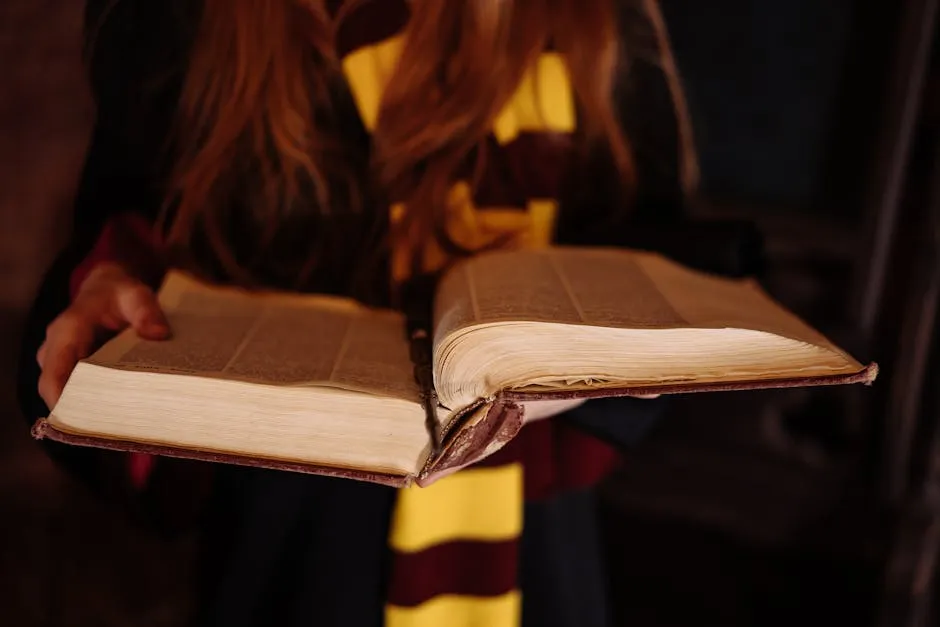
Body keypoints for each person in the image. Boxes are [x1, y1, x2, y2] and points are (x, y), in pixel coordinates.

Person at [18, 0, 699, 625]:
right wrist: (102, 309)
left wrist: (609, 365)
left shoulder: (591, 17)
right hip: (286, 557)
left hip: (531, 552)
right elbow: (113, 244)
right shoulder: (174, 17)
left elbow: (656, 258)